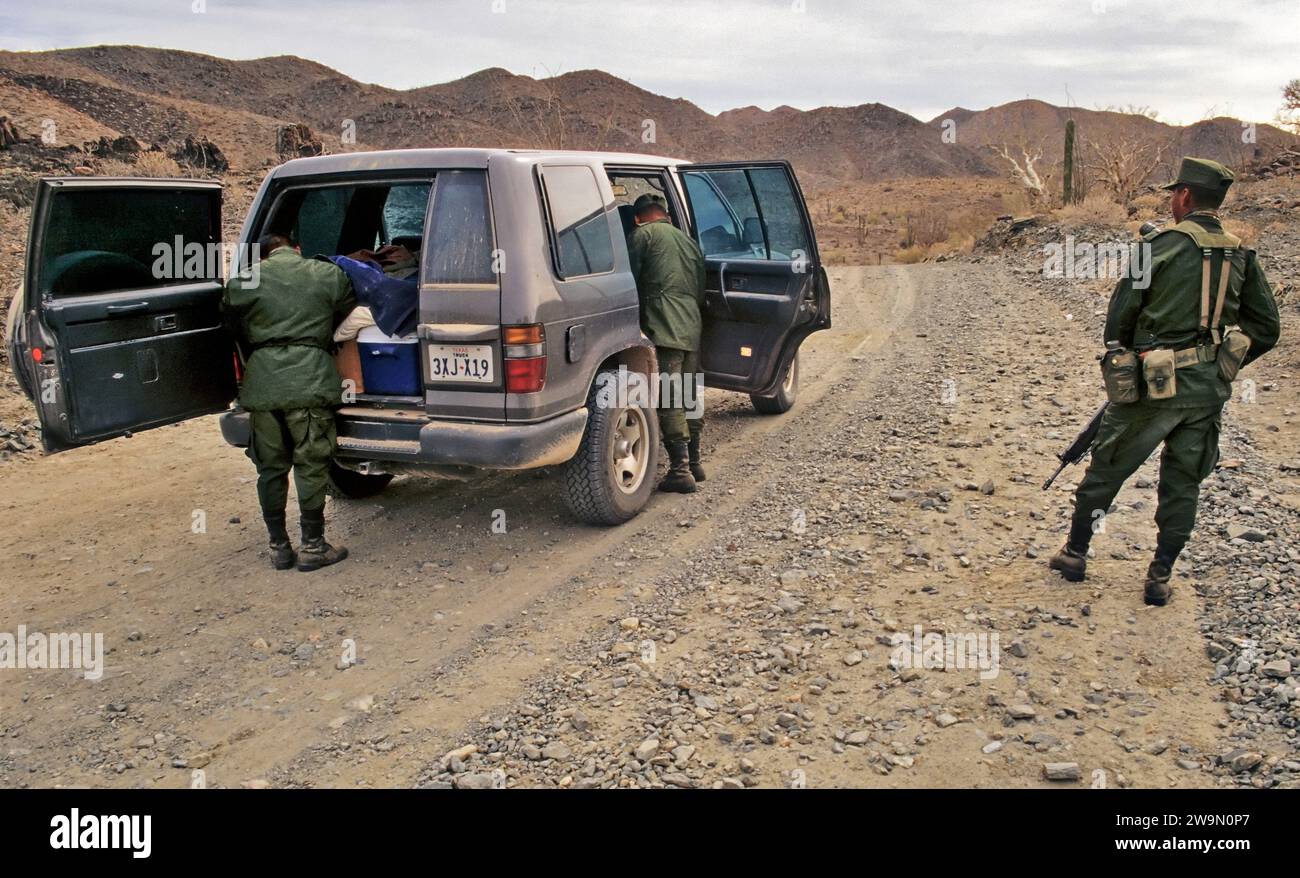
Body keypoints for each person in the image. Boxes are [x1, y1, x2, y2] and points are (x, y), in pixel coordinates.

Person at [1049, 157, 1280, 605]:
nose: (1172, 200)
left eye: (1175, 193)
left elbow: (1117, 324)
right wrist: (1222, 362)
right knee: (1183, 482)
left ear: (1186, 197)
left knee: (1105, 473)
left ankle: (1075, 554)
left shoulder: (1156, 247)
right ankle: (1159, 578)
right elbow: (1266, 329)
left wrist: (1133, 358)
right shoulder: (1241, 253)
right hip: (1207, 391)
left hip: (1154, 388)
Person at [223, 233, 356, 571]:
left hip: (263, 385)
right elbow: (345, 310)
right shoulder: (325, 273)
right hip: (309, 380)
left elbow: (230, 323)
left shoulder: (244, 281)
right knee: (311, 462)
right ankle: (313, 546)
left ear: (263, 257)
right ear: (297, 249)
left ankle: (279, 547)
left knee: (270, 468)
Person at [626, 193, 707, 493]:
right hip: (691, 326)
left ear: (638, 218)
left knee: (669, 396)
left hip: (663, 326)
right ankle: (696, 462)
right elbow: (699, 289)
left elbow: (629, 283)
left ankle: (679, 471)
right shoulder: (689, 242)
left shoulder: (641, 235)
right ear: (666, 216)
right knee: (689, 393)